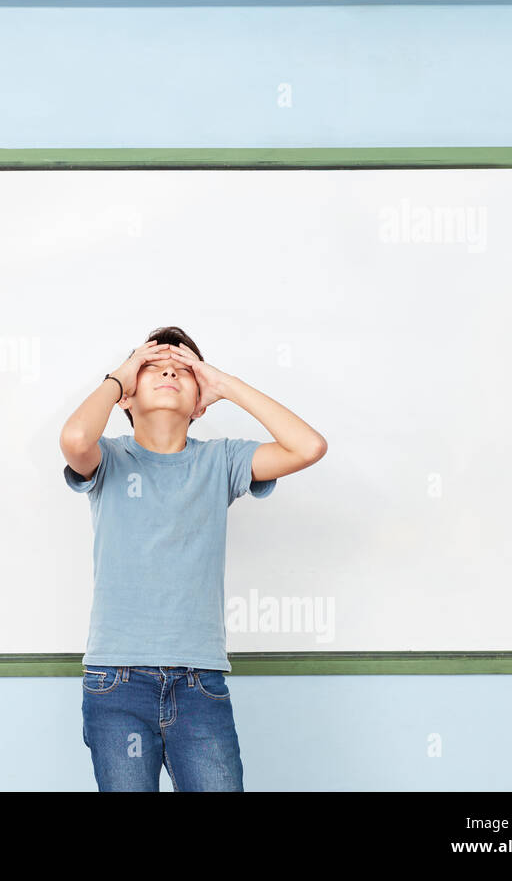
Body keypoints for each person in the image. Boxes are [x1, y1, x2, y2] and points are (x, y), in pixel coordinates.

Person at [59, 325, 326, 791]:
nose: (167, 371)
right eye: (152, 367)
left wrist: (223, 384)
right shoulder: (109, 458)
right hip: (115, 683)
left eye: (183, 370)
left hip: (199, 683)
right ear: (126, 396)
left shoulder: (220, 461)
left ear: (201, 402)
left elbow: (309, 447)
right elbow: (76, 438)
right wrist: (119, 377)